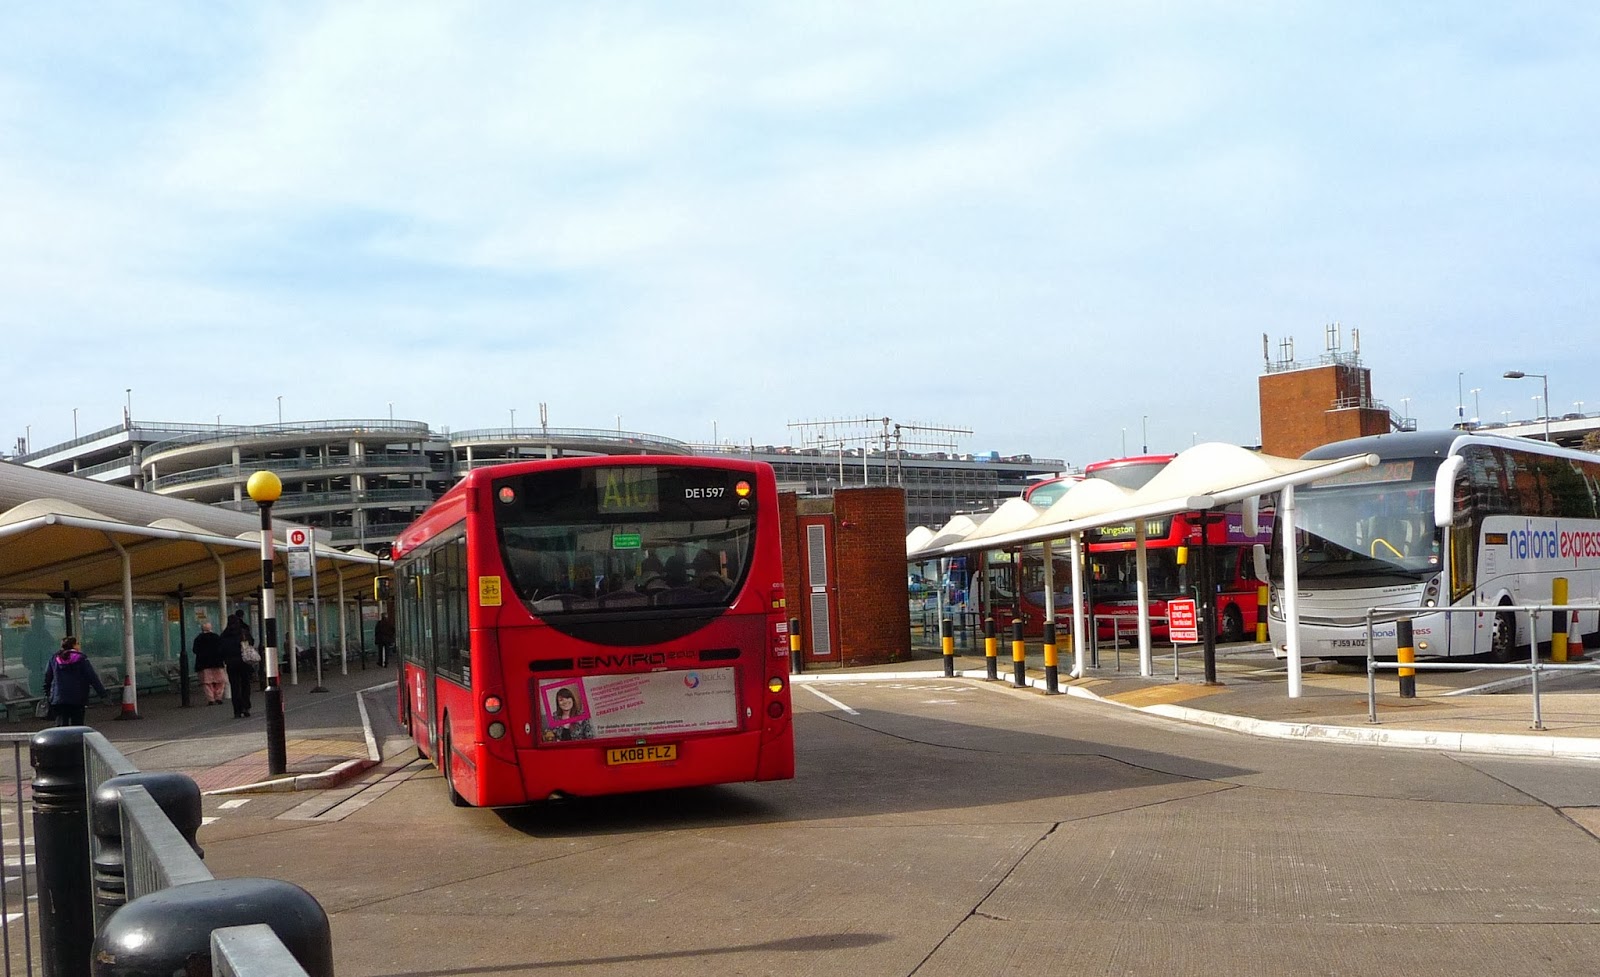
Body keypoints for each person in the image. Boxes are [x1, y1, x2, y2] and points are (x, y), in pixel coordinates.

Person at [43, 636, 106, 727]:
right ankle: (75, 741)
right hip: (78, 698)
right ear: (74, 645)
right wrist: (102, 694)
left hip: (59, 698)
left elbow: (47, 677)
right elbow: (92, 677)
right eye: (78, 643)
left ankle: (61, 741)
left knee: (61, 726)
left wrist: (48, 694)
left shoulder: (54, 659)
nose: (79, 646)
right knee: (77, 726)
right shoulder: (81, 659)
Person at [220, 610, 256, 718]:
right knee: (245, 684)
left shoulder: (224, 635)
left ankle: (237, 710)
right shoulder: (243, 633)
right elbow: (251, 642)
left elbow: (221, 650)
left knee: (235, 686)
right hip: (244, 662)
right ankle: (246, 706)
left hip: (231, 664)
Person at [191, 619, 227, 705]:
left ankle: (211, 698)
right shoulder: (216, 637)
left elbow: (195, 650)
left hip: (203, 664)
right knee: (220, 681)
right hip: (217, 663)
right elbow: (222, 649)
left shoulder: (198, 638)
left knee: (206, 683)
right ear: (211, 628)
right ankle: (218, 696)